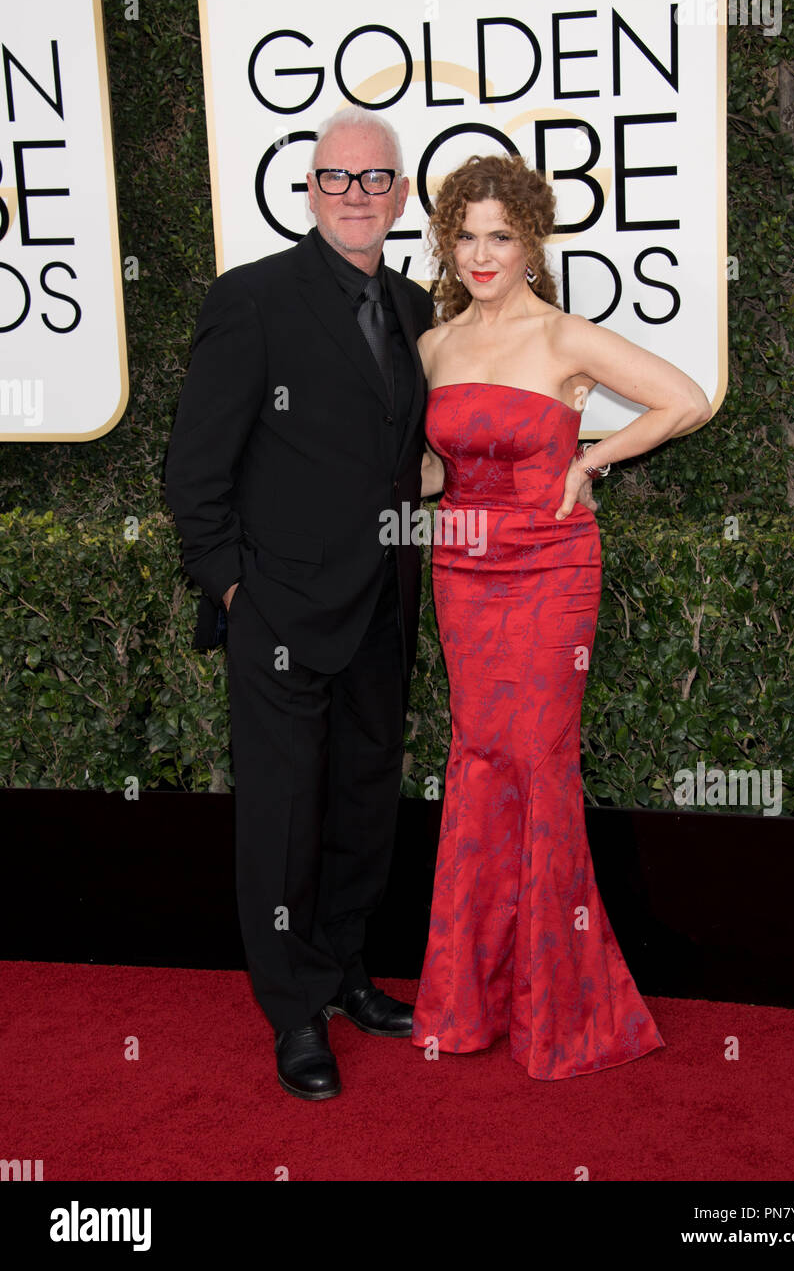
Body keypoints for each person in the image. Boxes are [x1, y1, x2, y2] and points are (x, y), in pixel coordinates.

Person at [412, 152, 712, 1080]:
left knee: (538, 761)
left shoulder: (565, 338)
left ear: (532, 238)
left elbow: (686, 400)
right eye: (465, 235)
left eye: (500, 235)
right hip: (463, 570)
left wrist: (591, 463)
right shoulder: (435, 346)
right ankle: (469, 1002)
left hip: (548, 572)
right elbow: (434, 472)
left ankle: (562, 1011)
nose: (481, 253)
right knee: (478, 760)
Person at [164, 107, 437, 1101]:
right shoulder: (255, 300)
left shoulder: (414, 310)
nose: (355, 195)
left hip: (381, 608)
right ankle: (292, 1013)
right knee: (281, 817)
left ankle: (347, 969)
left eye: (374, 180)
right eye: (336, 179)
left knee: (363, 800)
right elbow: (193, 467)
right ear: (308, 190)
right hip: (279, 611)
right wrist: (233, 583)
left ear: (400, 195)